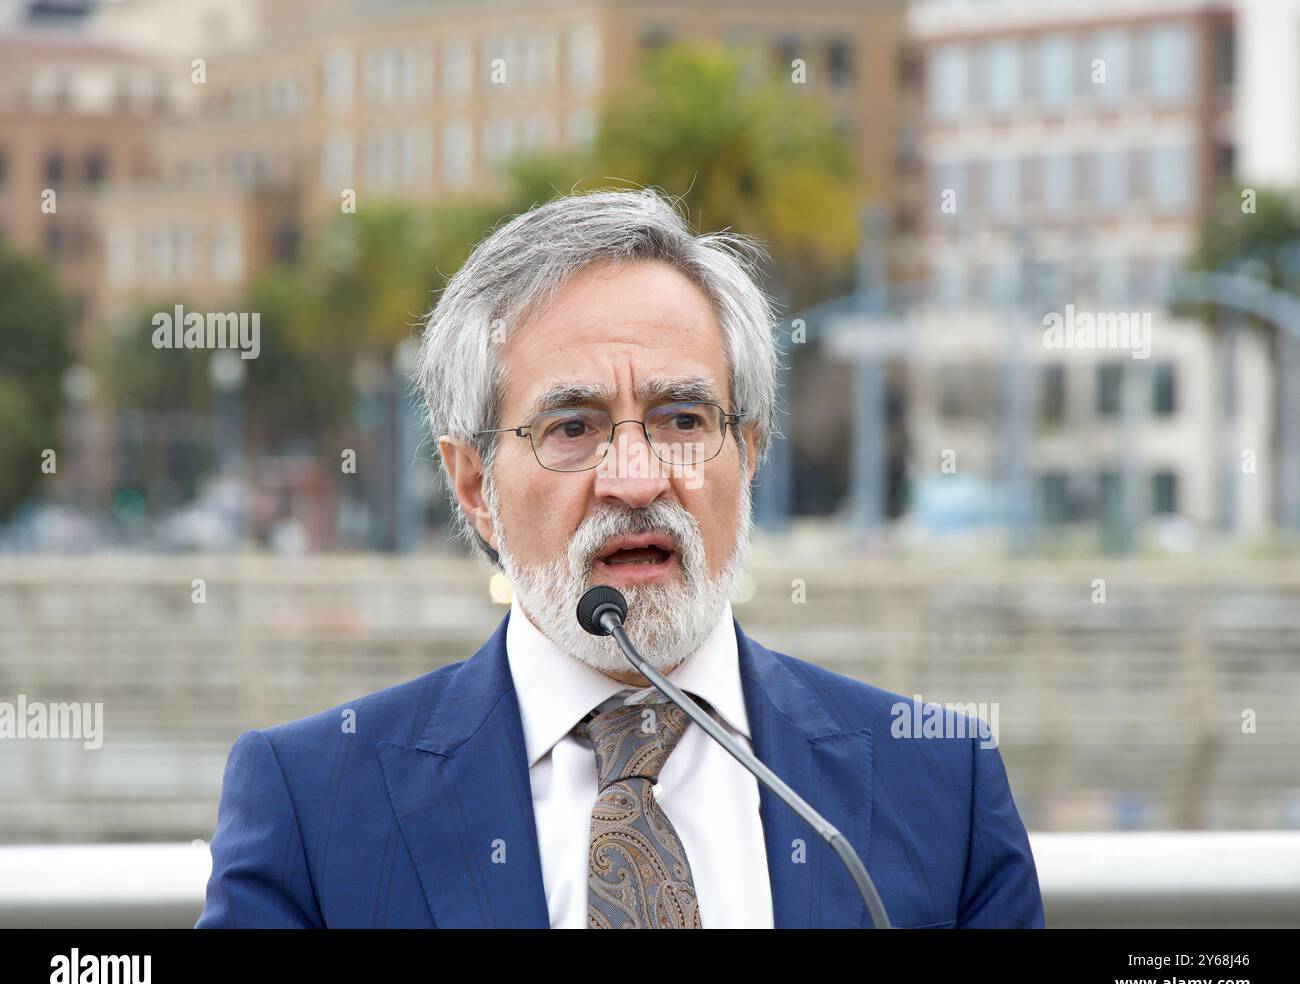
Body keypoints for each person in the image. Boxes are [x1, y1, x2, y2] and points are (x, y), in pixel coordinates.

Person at [197, 189, 1044, 929]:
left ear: (746, 453)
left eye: (683, 419)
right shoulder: (315, 805)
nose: (637, 481)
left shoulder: (938, 786)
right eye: (573, 427)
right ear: (472, 484)